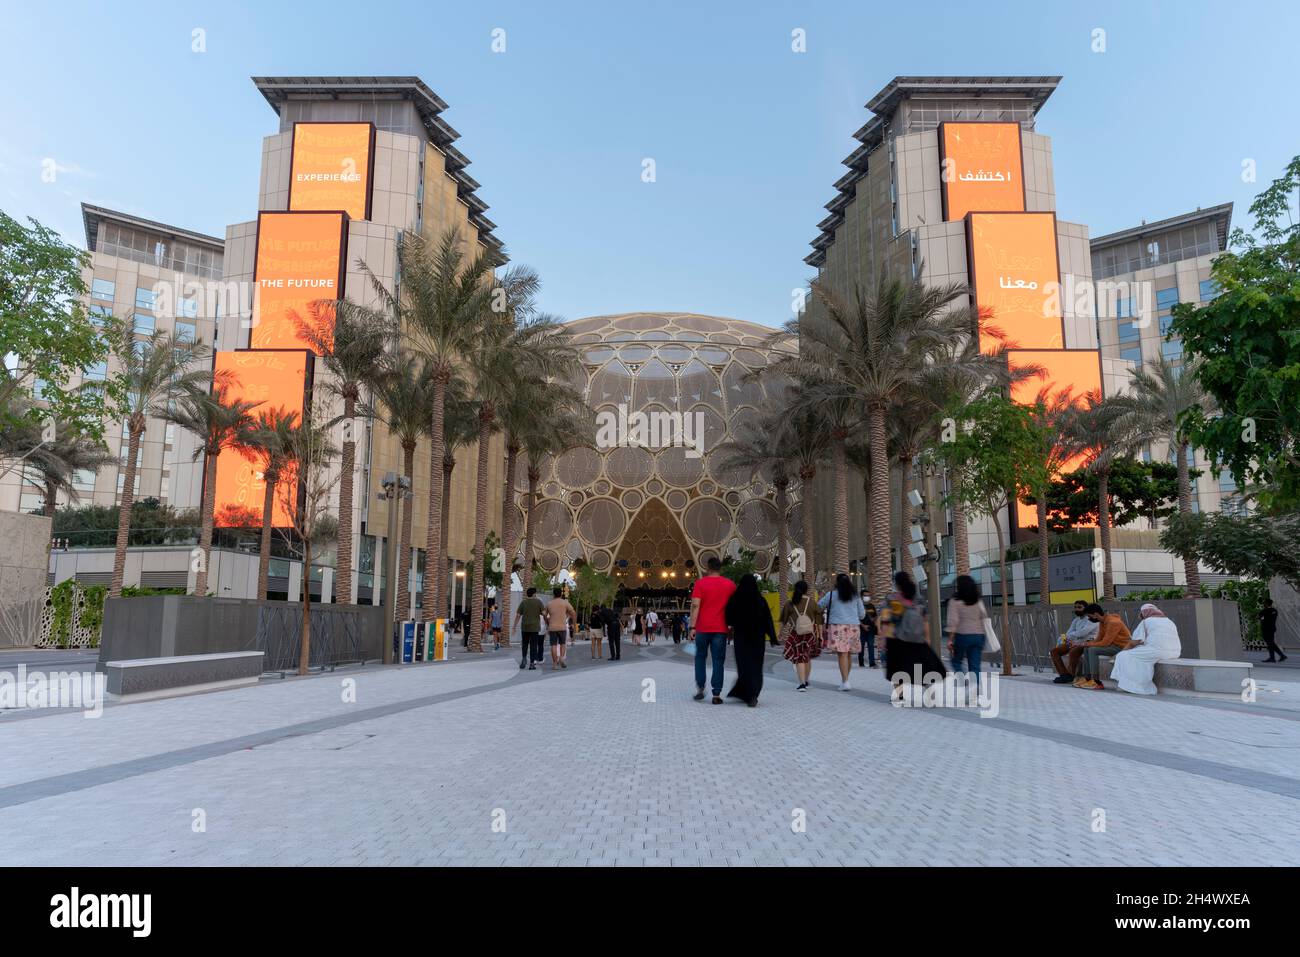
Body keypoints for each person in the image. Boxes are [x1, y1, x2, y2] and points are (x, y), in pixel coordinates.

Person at [880, 570, 946, 700]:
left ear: (896, 583)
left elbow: (886, 620)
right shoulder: (918, 599)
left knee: (896, 666)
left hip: (896, 638)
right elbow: (924, 619)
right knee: (920, 665)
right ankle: (928, 689)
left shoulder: (892, 599)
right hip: (916, 637)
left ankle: (900, 695)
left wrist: (883, 640)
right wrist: (926, 638)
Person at [725, 574, 778, 706]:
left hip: (741, 638)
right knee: (756, 666)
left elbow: (729, 618)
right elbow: (768, 620)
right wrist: (772, 636)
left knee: (744, 666)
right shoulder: (760, 600)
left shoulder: (735, 599)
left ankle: (748, 693)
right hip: (757, 639)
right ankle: (753, 693)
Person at [689, 556, 736, 704]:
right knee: (718, 661)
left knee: (700, 658)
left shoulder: (700, 584)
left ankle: (701, 688)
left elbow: (696, 605)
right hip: (720, 629)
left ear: (708, 568)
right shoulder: (730, 585)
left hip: (702, 628)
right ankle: (716, 694)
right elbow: (734, 606)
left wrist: (692, 626)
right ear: (720, 568)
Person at [1112, 603, 1182, 695]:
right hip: (1175, 652)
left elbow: (1134, 642)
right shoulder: (1169, 621)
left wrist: (1118, 653)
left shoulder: (1146, 621)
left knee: (1123, 655)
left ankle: (1135, 686)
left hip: (1157, 651)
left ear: (1144, 613)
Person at [819, 573, 865, 691]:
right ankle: (846, 680)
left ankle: (845, 681)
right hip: (853, 626)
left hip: (838, 627)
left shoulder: (832, 595)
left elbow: (819, 606)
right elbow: (862, 614)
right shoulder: (855, 596)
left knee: (842, 654)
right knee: (848, 654)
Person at [1074, 603, 1132, 690]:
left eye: (1090, 616)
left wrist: (1087, 644)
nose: (1089, 619)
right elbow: (1098, 639)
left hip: (1123, 647)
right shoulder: (1103, 621)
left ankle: (1097, 682)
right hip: (1113, 645)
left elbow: (1105, 643)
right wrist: (1085, 644)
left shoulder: (1113, 622)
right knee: (1087, 648)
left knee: (1093, 650)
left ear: (1096, 614)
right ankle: (1088, 678)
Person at [945, 574, 990, 687]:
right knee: (975, 666)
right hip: (979, 636)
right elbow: (984, 615)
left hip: (963, 636)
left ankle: (963, 682)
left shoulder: (955, 601)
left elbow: (953, 622)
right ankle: (974, 691)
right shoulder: (978, 600)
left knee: (956, 661)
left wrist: (950, 640)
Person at [780, 579, 822, 691]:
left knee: (799, 659)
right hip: (810, 634)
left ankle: (802, 683)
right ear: (806, 590)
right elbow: (819, 621)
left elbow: (784, 621)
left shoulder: (789, 603)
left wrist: (780, 633)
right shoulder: (812, 602)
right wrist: (820, 635)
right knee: (807, 658)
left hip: (796, 633)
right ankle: (806, 681)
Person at [1050, 600, 1100, 684]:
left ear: (1086, 608)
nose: (1077, 609)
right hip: (1073, 642)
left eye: (1079, 607)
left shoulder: (1091, 619)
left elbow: (1082, 633)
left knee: (1073, 652)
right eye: (1075, 607)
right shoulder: (1076, 620)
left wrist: (1071, 636)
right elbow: (1068, 633)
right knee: (1054, 651)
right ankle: (1064, 675)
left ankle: (1071, 675)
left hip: (1086, 643)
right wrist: (1066, 639)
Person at [514, 587, 546, 671]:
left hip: (525, 627)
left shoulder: (523, 603)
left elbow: (518, 615)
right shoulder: (538, 602)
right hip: (535, 628)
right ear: (534, 594)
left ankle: (524, 658)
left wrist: (514, 626)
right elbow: (544, 613)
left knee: (524, 644)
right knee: (533, 646)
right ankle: (532, 664)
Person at [544, 586, 577, 670]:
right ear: (561, 593)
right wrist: (573, 623)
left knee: (553, 645)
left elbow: (544, 615)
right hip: (562, 627)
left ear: (553, 594)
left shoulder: (549, 603)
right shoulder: (565, 603)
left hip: (552, 627)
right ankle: (562, 658)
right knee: (563, 644)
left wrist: (547, 623)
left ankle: (555, 664)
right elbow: (573, 612)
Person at [1260, 598, 1288, 662]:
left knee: (1270, 643)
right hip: (1272, 628)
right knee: (1271, 643)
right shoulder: (1274, 610)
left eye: (1264, 603)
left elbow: (1259, 618)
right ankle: (1275, 657)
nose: (1263, 604)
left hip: (1266, 629)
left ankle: (1278, 656)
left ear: (1266, 604)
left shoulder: (1264, 611)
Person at [858, 602, 878, 669]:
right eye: (865, 595)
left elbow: (875, 616)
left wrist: (874, 620)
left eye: (868, 595)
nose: (867, 597)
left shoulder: (871, 605)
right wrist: (863, 626)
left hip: (871, 628)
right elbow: (857, 617)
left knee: (871, 645)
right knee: (861, 646)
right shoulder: (859, 605)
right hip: (861, 629)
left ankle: (872, 663)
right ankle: (861, 662)